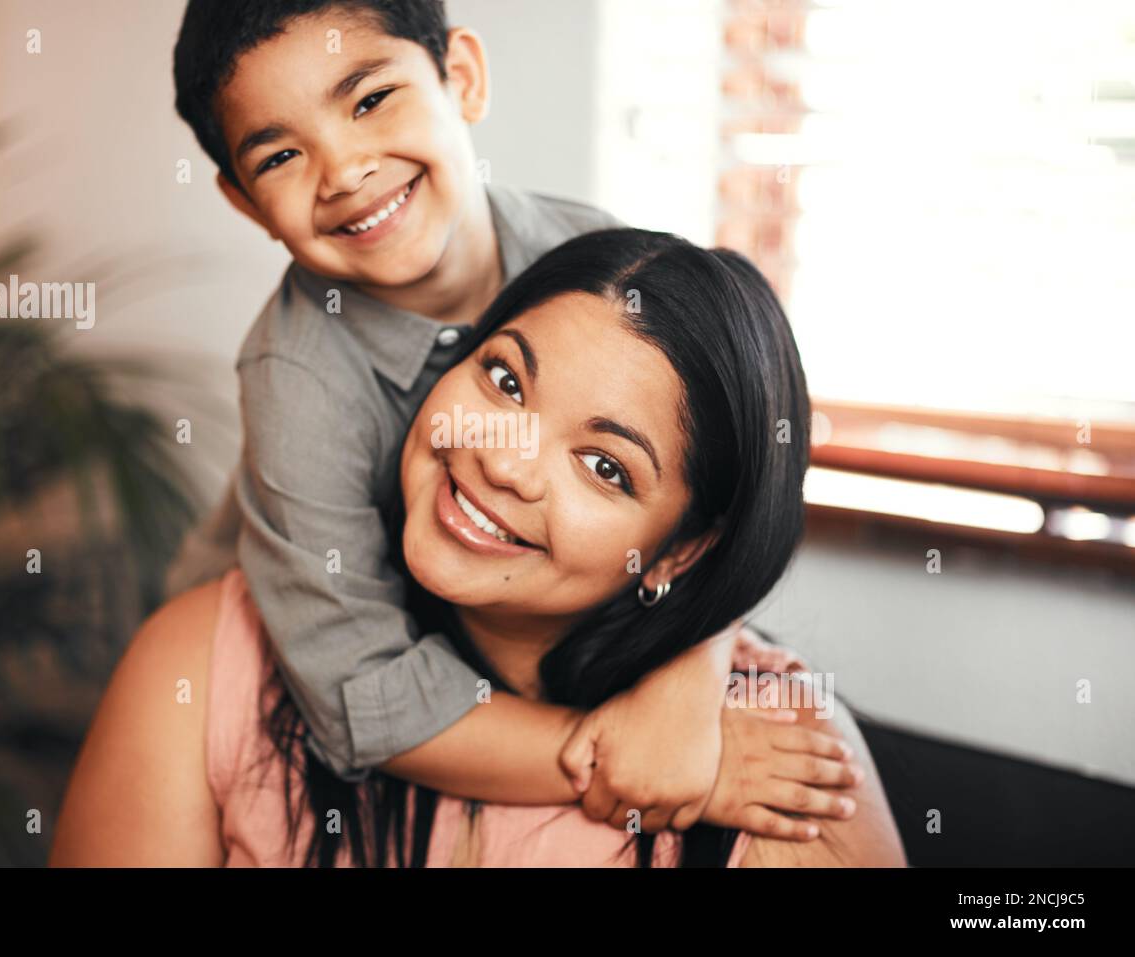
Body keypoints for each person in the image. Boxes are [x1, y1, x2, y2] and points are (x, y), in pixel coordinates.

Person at [164, 0, 833, 831]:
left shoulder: (599, 261)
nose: (341, 171)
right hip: (281, 628)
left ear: (462, 78)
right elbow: (361, 695)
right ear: (243, 202)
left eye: (370, 100)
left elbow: (728, 484)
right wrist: (623, 756)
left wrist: (688, 681)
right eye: (281, 155)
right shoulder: (297, 382)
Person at [50, 229, 906, 866]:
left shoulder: (785, 764)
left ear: (682, 551)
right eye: (505, 379)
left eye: (604, 466)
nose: (501, 458)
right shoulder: (204, 662)